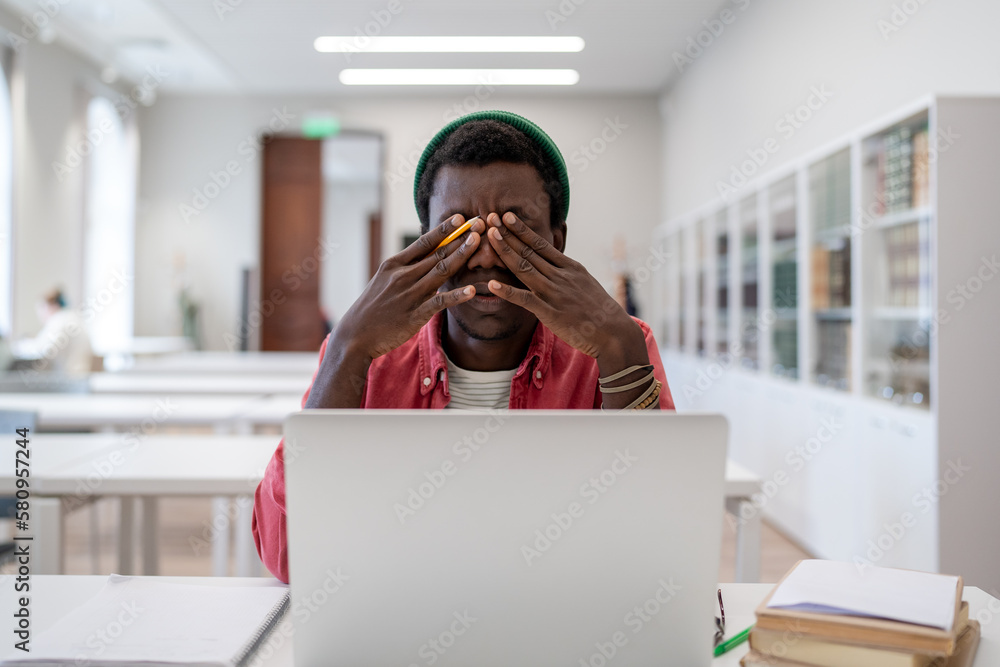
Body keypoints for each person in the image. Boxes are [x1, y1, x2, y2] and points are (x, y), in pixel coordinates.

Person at [253, 110, 675, 582]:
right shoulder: (363, 353)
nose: (488, 256)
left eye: (517, 231)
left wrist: (619, 349)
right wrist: (346, 349)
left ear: (558, 242)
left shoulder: (616, 344)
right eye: (457, 233)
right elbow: (289, 552)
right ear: (424, 245)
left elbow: (654, 547)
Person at [18, 288, 93, 376]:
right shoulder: (73, 318)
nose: (40, 314)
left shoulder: (59, 320)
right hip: (81, 376)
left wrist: (20, 346)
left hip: (70, 380)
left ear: (52, 306)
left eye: (41, 308)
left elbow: (44, 349)